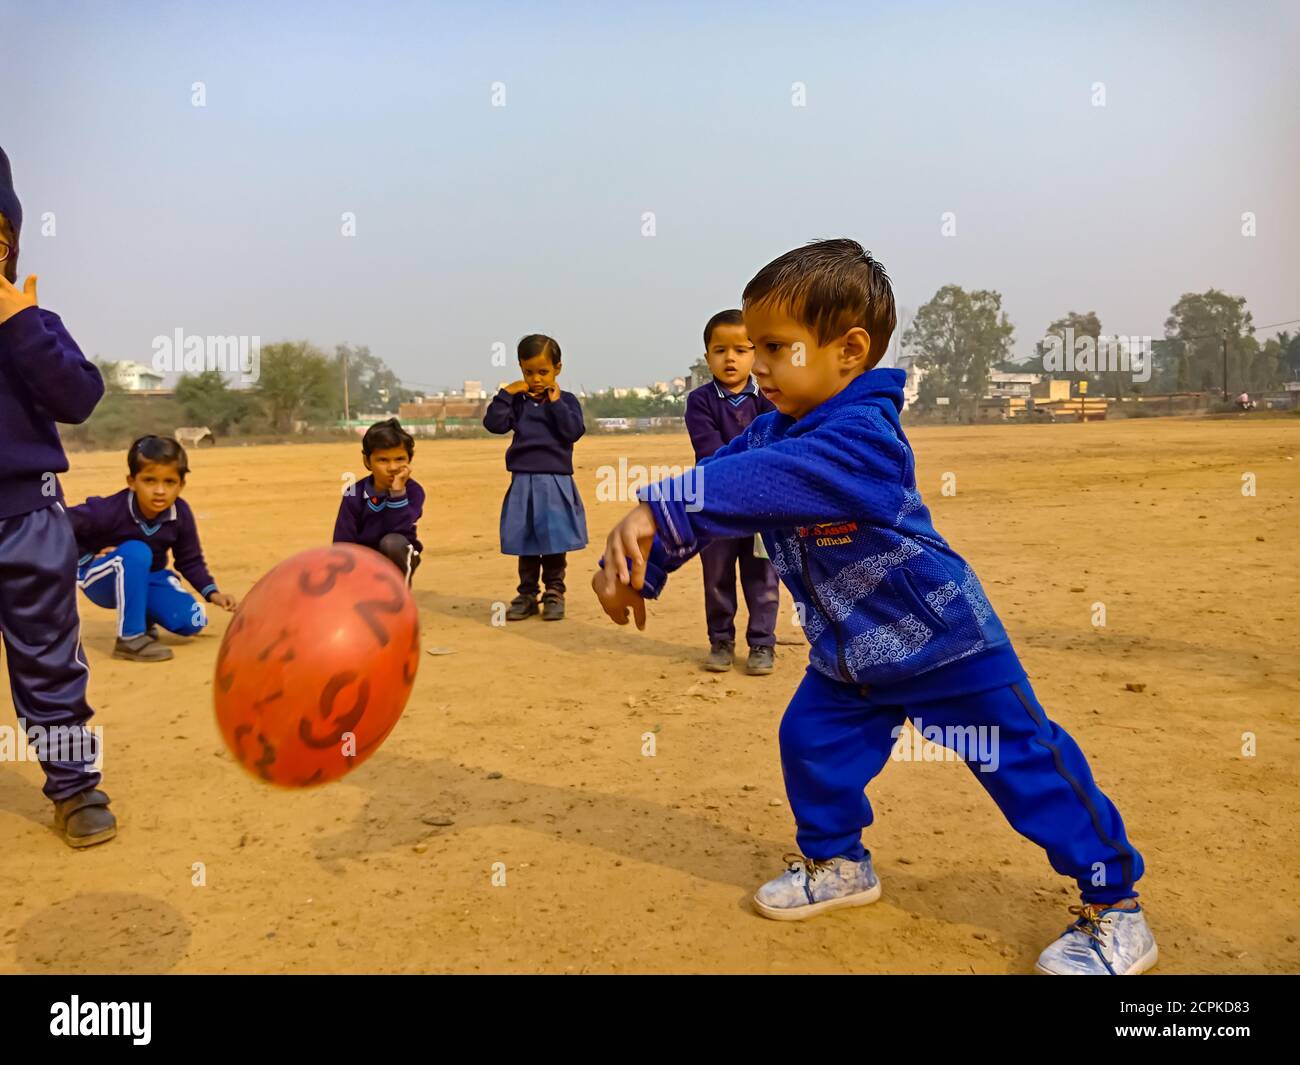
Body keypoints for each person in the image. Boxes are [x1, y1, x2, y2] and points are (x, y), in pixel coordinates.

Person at [593, 239, 1156, 975]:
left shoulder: (862, 438)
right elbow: (724, 485)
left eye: (773, 346)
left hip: (945, 649)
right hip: (848, 658)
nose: (755, 364)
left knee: (1025, 764)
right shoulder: (772, 431)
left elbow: (771, 479)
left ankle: (1116, 906)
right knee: (810, 743)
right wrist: (646, 557)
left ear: (849, 349)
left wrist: (654, 506)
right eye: (749, 347)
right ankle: (839, 864)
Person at [0, 144, 115, 845]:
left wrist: (20, 325)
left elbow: (78, 398)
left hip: (30, 520)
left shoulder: (33, 326)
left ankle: (74, 788)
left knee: (48, 662)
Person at [68, 435, 237, 662]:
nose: (159, 491)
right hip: (100, 577)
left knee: (193, 621)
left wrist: (212, 592)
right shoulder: (108, 510)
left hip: (149, 577)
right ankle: (130, 638)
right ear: (132, 481)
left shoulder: (180, 514)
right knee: (137, 552)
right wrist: (86, 556)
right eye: (149, 481)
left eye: (169, 482)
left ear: (181, 485)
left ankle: (143, 618)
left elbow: (189, 559)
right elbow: (59, 523)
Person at [684, 309, 779, 674]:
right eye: (720, 350)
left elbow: (776, 444)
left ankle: (762, 644)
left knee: (763, 578)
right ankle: (720, 640)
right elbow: (711, 451)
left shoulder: (769, 399)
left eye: (741, 349)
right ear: (707, 356)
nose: (730, 358)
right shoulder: (700, 402)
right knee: (717, 577)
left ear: (755, 354)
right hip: (716, 505)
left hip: (762, 508)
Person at [483, 334, 587, 621]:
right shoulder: (517, 403)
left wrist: (555, 404)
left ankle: (554, 592)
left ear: (558, 368)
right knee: (526, 540)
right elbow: (493, 424)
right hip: (523, 481)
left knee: (554, 541)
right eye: (529, 372)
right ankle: (527, 594)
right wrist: (507, 393)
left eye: (543, 372)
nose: (536, 379)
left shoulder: (566, 402)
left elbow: (573, 431)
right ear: (520, 368)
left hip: (555, 482)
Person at [333, 417, 424, 585]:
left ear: (409, 460)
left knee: (391, 542)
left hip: (399, 553)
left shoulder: (413, 491)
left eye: (399, 459)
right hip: (364, 558)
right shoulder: (354, 493)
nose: (392, 467)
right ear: (367, 461)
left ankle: (399, 597)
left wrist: (397, 492)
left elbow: (398, 528)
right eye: (383, 460)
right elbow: (343, 539)